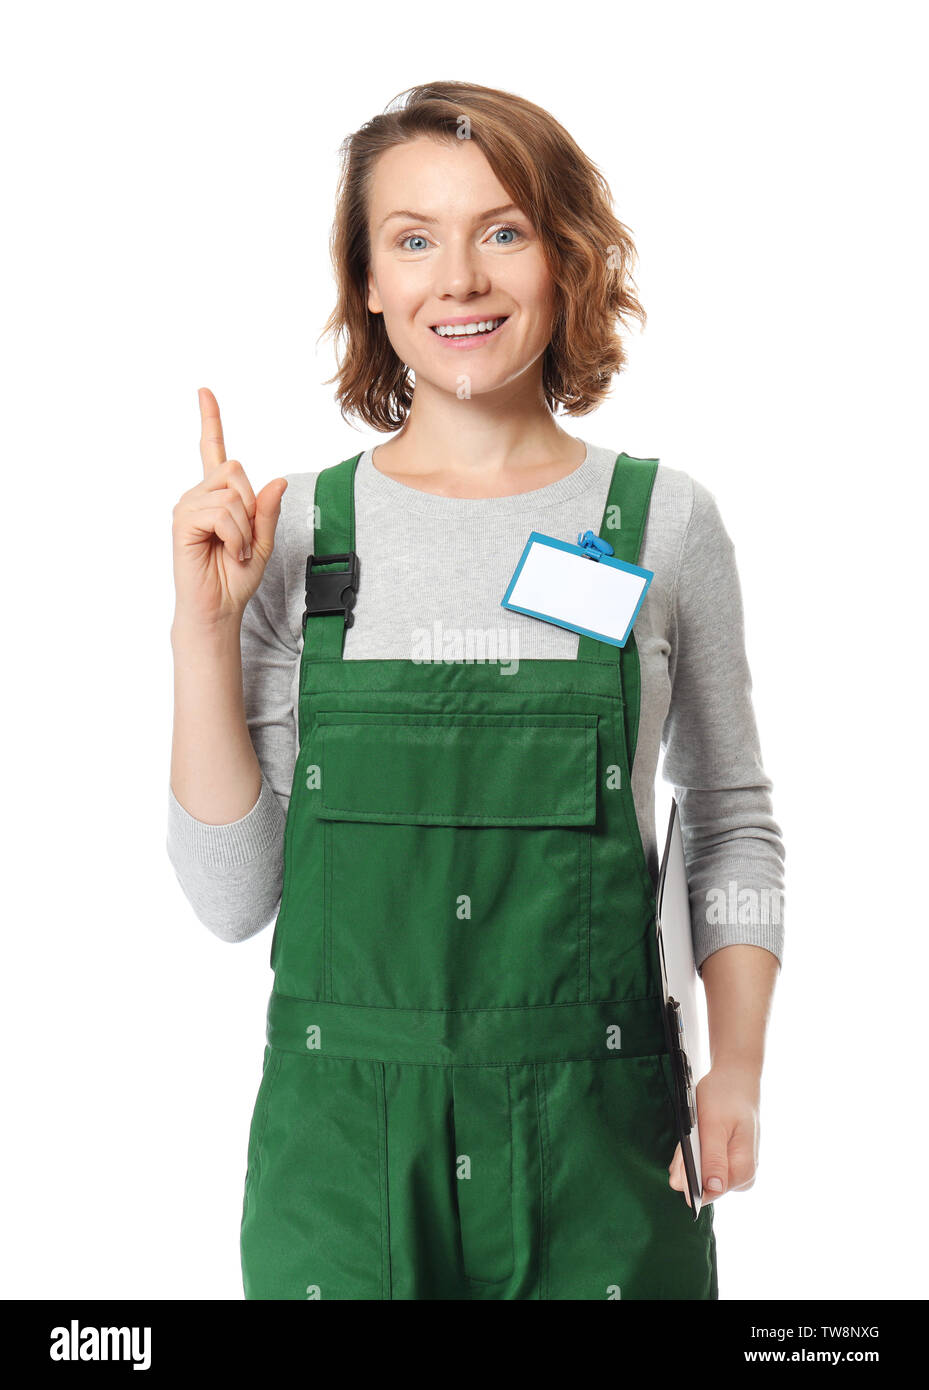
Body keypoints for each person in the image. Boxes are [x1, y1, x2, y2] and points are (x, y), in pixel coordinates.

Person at [168, 80, 785, 1301]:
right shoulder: (294, 536)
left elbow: (728, 811)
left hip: (603, 1152)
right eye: (413, 240)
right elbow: (232, 900)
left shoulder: (659, 524)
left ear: (565, 259)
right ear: (370, 287)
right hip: (341, 1164)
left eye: (500, 231)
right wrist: (200, 636)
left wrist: (739, 1066)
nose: (457, 278)